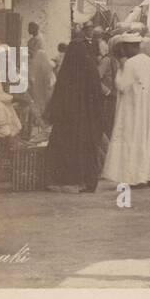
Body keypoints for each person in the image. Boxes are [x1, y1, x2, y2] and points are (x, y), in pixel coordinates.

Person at [44, 36, 106, 193]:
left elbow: (59, 98)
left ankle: (68, 180)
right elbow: (98, 96)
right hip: (88, 121)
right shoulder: (91, 69)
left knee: (65, 148)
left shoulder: (68, 71)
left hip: (68, 122)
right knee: (88, 149)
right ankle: (88, 181)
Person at [101, 35, 150, 189]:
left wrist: (120, 68)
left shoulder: (130, 64)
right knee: (143, 142)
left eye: (125, 48)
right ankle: (149, 174)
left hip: (131, 110)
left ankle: (135, 177)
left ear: (130, 46)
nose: (124, 51)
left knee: (130, 141)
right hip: (145, 109)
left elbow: (121, 85)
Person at [25, 21, 55, 134]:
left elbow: (37, 54)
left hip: (37, 67)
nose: (28, 30)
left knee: (38, 92)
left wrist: (28, 52)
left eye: (30, 28)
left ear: (34, 29)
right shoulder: (32, 39)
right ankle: (35, 120)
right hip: (32, 66)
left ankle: (39, 119)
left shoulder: (39, 39)